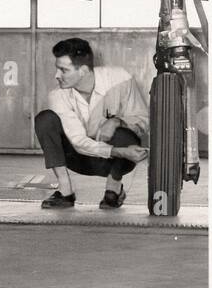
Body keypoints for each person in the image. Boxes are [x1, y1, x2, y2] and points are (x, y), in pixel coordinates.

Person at [35, 38, 149, 210]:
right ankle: (65, 192)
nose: (56, 76)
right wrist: (119, 151)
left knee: (122, 132)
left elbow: (143, 119)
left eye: (63, 70)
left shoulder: (120, 80)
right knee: (45, 119)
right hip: (80, 158)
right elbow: (78, 141)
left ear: (82, 71)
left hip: (118, 161)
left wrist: (117, 121)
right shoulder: (58, 96)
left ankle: (114, 189)